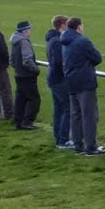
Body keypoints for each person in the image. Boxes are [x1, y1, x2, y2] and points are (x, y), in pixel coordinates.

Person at [61, 17, 105, 155]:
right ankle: (91, 147)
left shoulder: (64, 41)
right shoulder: (82, 41)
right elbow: (97, 57)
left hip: (71, 80)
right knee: (88, 115)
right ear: (79, 27)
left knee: (76, 115)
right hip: (85, 81)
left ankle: (78, 145)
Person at [45, 15, 72, 147]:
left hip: (54, 78)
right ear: (62, 25)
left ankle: (59, 136)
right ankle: (63, 139)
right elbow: (58, 61)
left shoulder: (52, 39)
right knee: (68, 109)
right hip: (59, 79)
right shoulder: (57, 41)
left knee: (59, 109)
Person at [10, 20, 42, 130]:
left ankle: (18, 121)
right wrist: (35, 70)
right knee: (34, 99)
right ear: (25, 31)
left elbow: (12, 60)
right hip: (27, 75)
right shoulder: (24, 42)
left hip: (18, 74)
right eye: (29, 30)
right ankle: (27, 121)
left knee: (20, 99)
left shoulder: (15, 41)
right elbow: (27, 59)